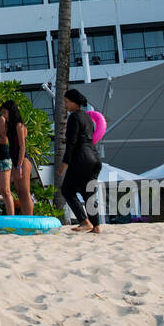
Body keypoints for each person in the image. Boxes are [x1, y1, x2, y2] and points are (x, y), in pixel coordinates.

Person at [58, 88, 102, 234]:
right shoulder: (87, 117)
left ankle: (84, 221)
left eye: (67, 102)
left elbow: (71, 142)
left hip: (81, 159)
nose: (65, 105)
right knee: (88, 192)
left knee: (67, 190)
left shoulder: (74, 117)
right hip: (95, 158)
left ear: (74, 102)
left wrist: (64, 163)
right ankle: (96, 226)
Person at [1, 99, 34, 216]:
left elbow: (22, 146)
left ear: (10, 111)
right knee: (19, 192)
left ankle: (29, 218)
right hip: (14, 161)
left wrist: (19, 165)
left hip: (23, 160)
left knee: (25, 191)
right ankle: (25, 216)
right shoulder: (8, 126)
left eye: (4, 112)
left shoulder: (19, 125)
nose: (3, 115)